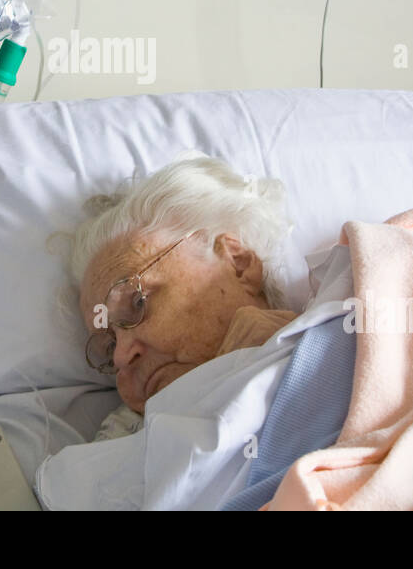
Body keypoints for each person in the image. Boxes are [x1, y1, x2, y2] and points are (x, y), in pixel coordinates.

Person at [70, 154, 299, 414]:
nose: (121, 356)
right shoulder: (122, 449)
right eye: (109, 347)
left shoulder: (347, 331)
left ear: (238, 263)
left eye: (138, 302)